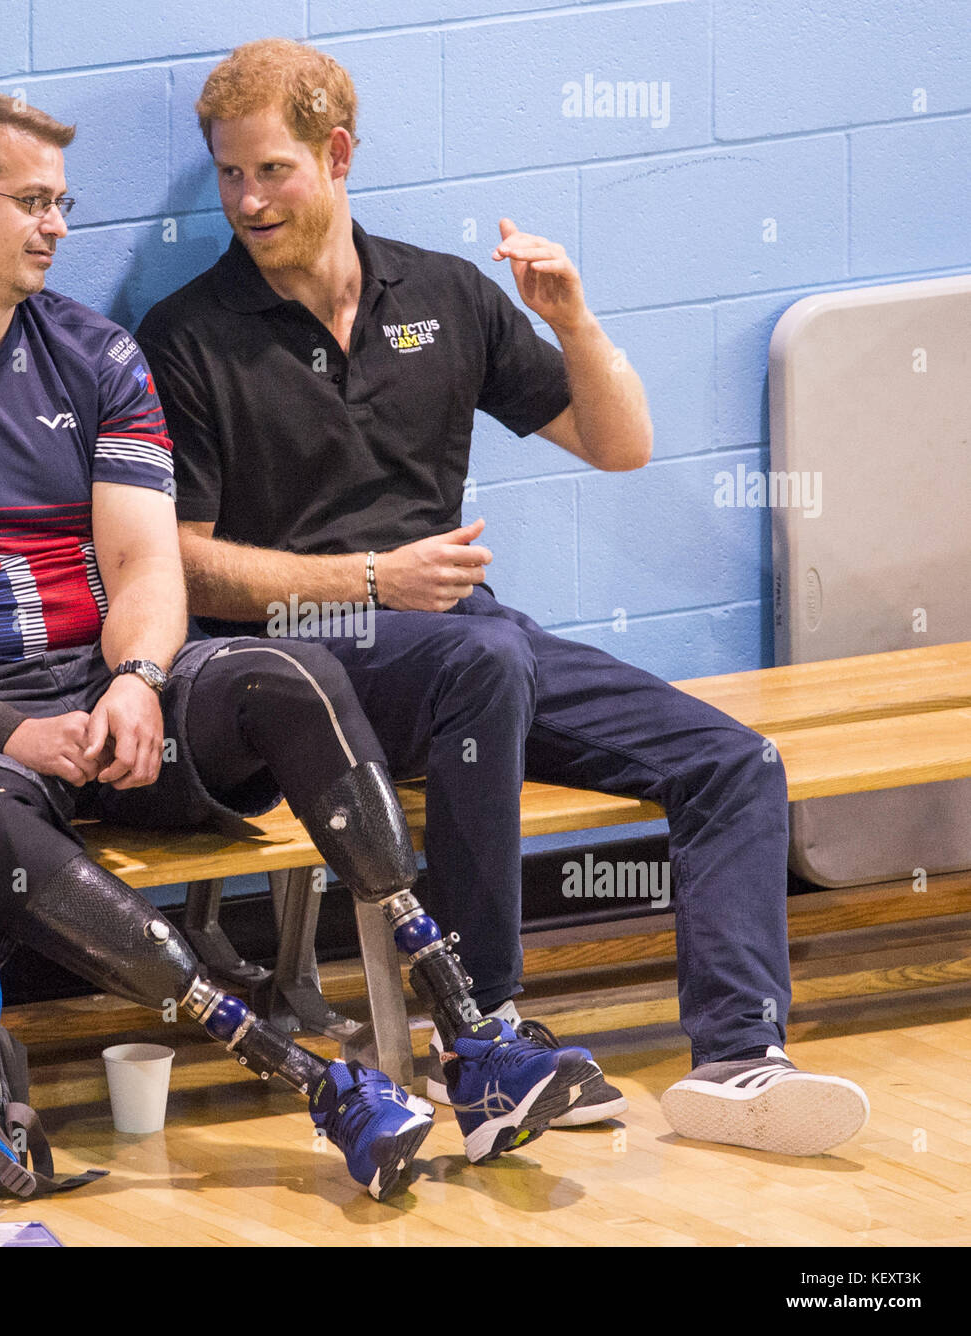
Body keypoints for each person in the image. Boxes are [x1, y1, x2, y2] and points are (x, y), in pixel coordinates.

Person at [0, 89, 606, 1203]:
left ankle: (472, 1039)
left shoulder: (97, 357)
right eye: (32, 202)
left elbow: (150, 566)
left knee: (284, 675)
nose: (59, 225)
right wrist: (18, 729)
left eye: (63, 201)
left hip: (104, 699)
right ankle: (311, 1077)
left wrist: (139, 679)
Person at [136, 39, 871, 1156]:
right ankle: (482, 1043)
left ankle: (737, 1058)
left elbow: (619, 444)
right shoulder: (187, 336)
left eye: (272, 170)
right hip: (303, 662)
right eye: (230, 174)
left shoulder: (440, 294)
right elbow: (178, 560)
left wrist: (572, 319)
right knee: (485, 659)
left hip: (466, 643)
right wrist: (372, 580)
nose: (246, 199)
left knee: (731, 760)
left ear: (337, 155)